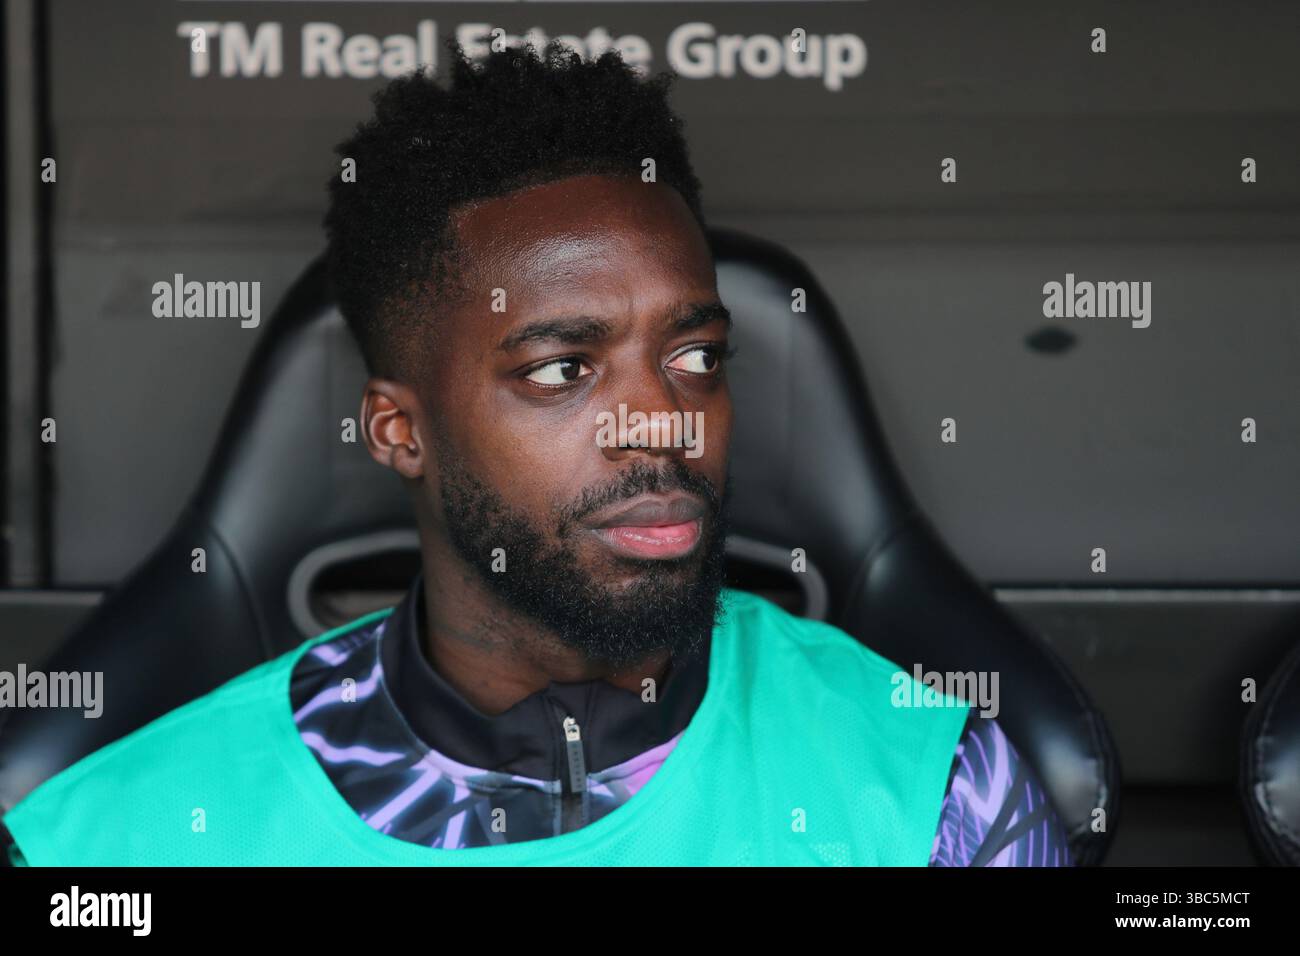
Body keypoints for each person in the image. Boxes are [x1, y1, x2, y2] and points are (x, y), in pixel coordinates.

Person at [1, 41, 1070, 866]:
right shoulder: (119, 843)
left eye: (696, 356)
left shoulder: (931, 794)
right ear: (399, 430)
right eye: (563, 369)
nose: (662, 422)